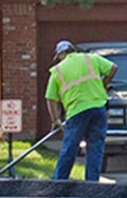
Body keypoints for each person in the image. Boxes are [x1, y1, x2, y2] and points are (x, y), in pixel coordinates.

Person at [45, 40, 118, 181]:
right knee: (95, 148)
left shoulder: (58, 70)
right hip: (98, 108)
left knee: (70, 148)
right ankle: (91, 184)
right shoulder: (91, 58)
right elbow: (113, 68)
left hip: (76, 112)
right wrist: (103, 84)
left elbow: (50, 99)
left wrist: (56, 120)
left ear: (61, 54)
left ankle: (59, 182)